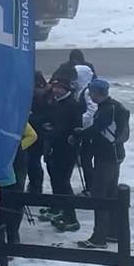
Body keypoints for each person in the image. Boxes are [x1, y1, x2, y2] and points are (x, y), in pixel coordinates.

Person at [77, 78, 130, 248]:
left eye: (90, 92)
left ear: (95, 93)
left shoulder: (107, 110)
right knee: (112, 194)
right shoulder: (114, 106)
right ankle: (113, 233)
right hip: (116, 155)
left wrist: (77, 134)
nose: (89, 96)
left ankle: (99, 238)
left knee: (99, 196)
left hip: (106, 157)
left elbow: (96, 130)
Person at [39, 78, 84, 229]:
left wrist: (51, 131)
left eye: (59, 88)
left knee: (64, 183)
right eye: (54, 87)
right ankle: (58, 208)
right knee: (55, 180)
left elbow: (70, 128)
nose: (55, 90)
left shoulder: (72, 104)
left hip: (65, 150)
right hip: (54, 148)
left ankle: (71, 218)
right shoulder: (56, 102)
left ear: (66, 89)